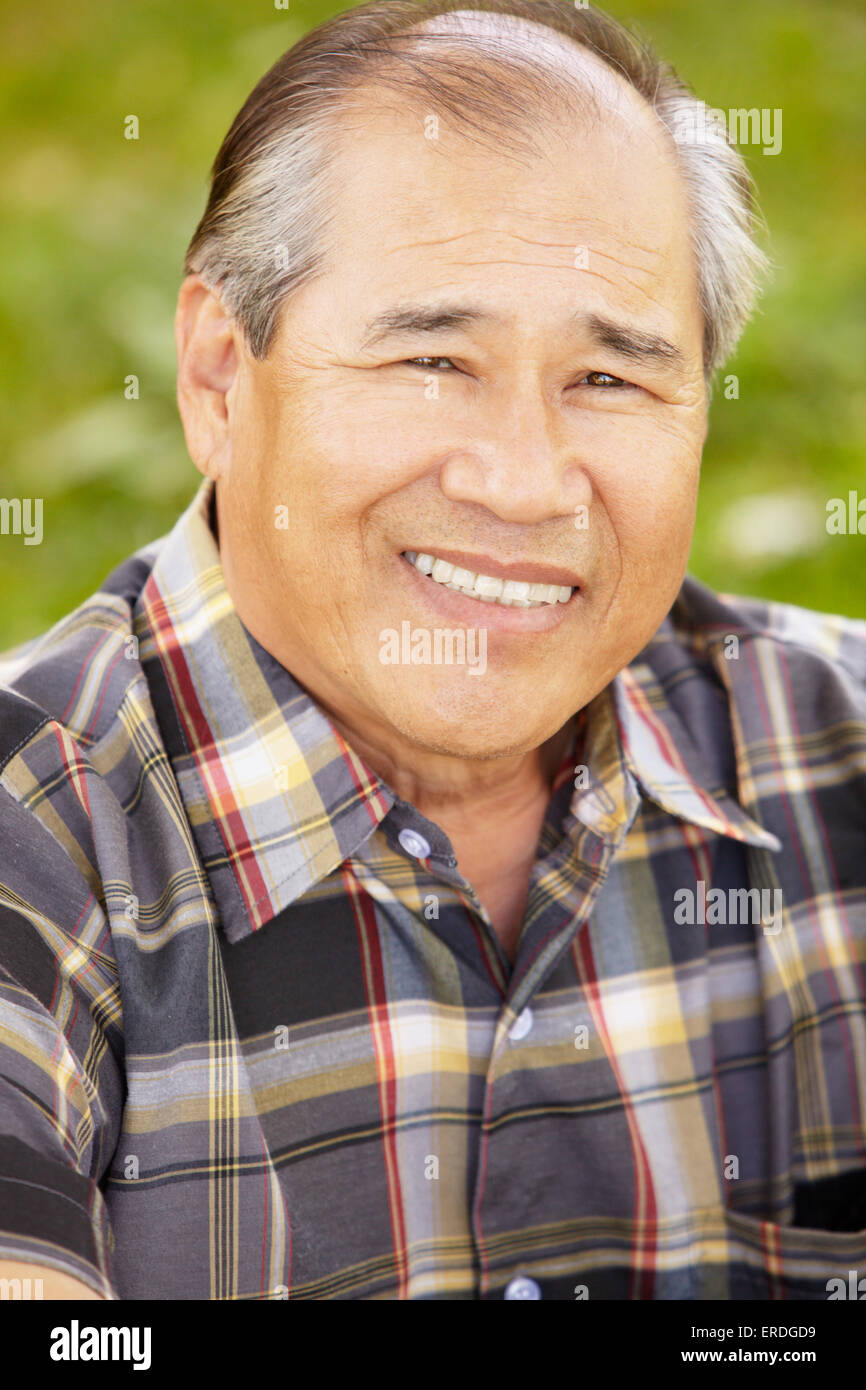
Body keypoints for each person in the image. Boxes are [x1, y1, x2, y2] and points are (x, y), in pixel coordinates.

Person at [1, 0, 864, 1301]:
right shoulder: (36, 834)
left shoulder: (837, 749)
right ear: (220, 375)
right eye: (430, 357)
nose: (522, 481)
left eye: (609, 380)